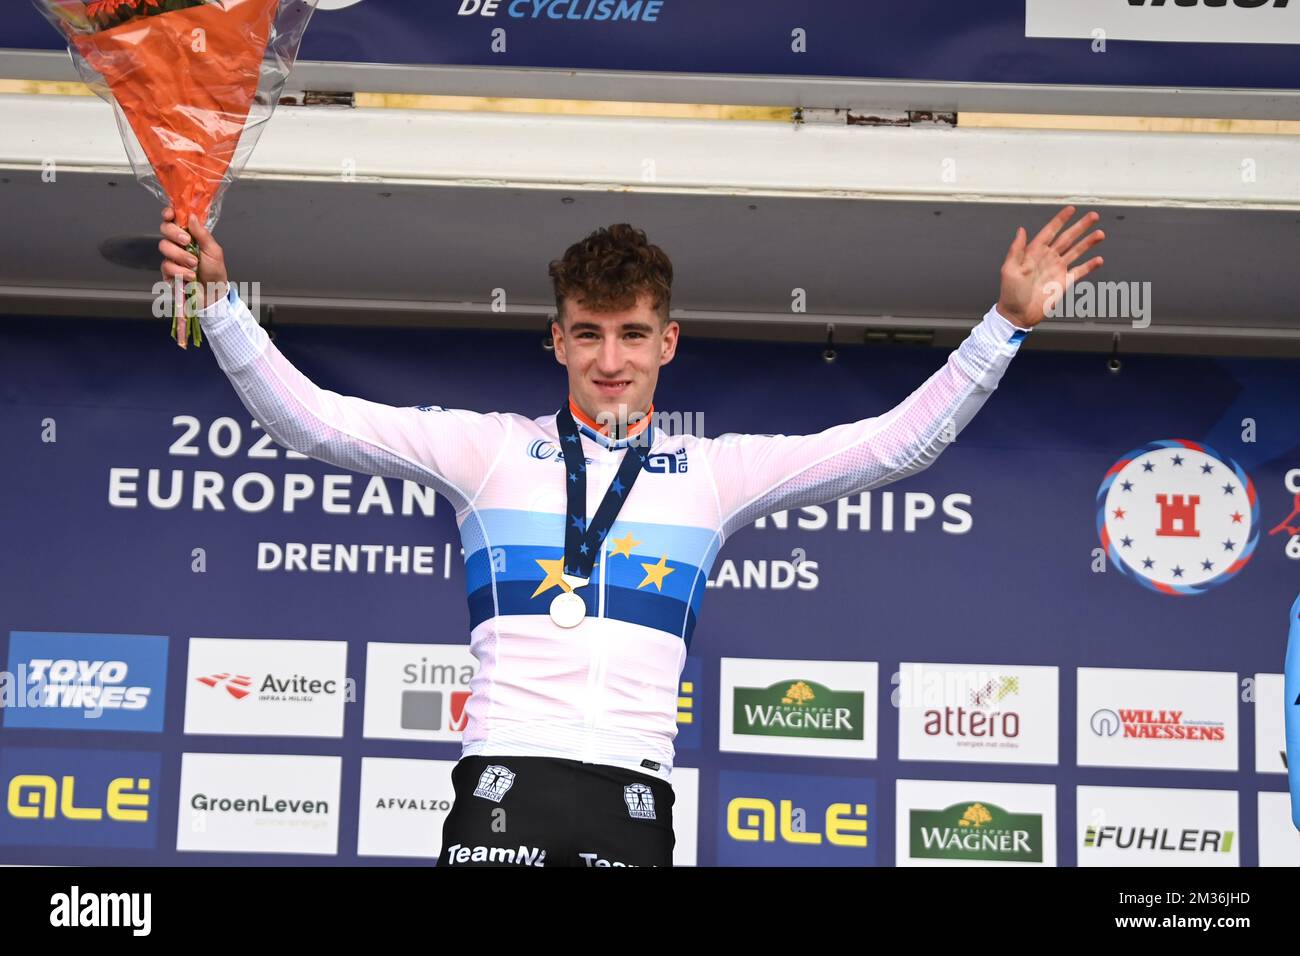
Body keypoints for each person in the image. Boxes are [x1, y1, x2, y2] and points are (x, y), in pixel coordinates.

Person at [158, 204, 1104, 867]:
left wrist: (1004, 328)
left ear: (669, 342)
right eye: (590, 333)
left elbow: (894, 446)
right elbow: (315, 422)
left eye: (632, 334)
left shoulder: (716, 476)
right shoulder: (487, 454)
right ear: (557, 339)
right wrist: (223, 307)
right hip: (504, 782)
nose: (611, 360)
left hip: (634, 798)